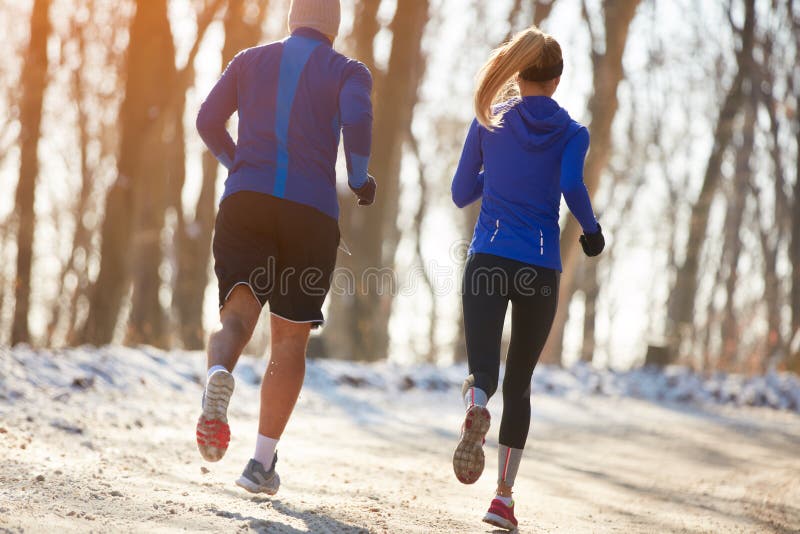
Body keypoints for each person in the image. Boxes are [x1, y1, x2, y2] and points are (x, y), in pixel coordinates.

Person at [194, 0, 375, 496]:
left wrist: (239, 164)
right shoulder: (348, 71)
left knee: (236, 318)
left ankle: (218, 374)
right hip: (310, 214)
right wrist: (359, 178)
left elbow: (207, 120)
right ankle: (260, 463)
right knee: (289, 341)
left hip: (246, 203)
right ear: (334, 25)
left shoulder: (248, 60)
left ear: (293, 17)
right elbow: (358, 120)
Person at [450, 26, 605, 530]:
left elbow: (460, 192)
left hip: (488, 259)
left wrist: (497, 175)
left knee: (484, 372)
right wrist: (591, 230)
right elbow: (570, 184)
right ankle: (502, 499)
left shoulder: (489, 118)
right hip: (539, 267)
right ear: (557, 81)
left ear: (517, 73)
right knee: (519, 383)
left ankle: (476, 404)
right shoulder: (573, 132)